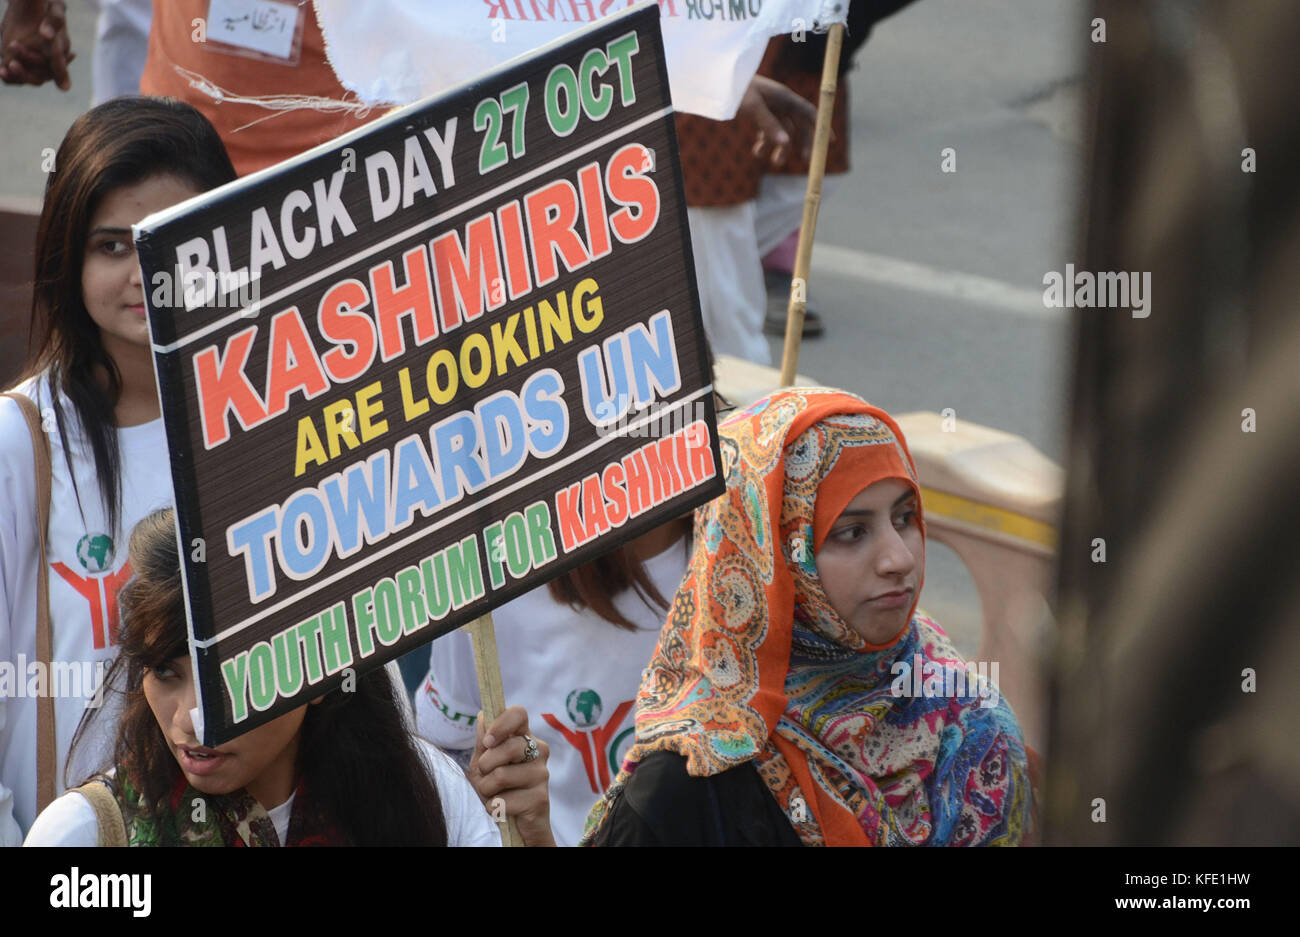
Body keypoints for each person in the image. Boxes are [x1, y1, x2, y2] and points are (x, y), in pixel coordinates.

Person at [583, 388, 1034, 846]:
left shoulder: (973, 719)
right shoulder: (695, 782)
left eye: (904, 518)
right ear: (772, 555)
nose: (899, 558)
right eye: (852, 532)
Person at [0, 96, 241, 846]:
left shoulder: (265, 430)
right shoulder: (20, 441)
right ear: (67, 258)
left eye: (171, 241)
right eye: (112, 246)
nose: (146, 273)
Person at [23, 509, 553, 846]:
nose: (191, 721)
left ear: (320, 670)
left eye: (229, 677)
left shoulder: (425, 792)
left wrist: (530, 837)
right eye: (165, 673)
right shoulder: (86, 836)